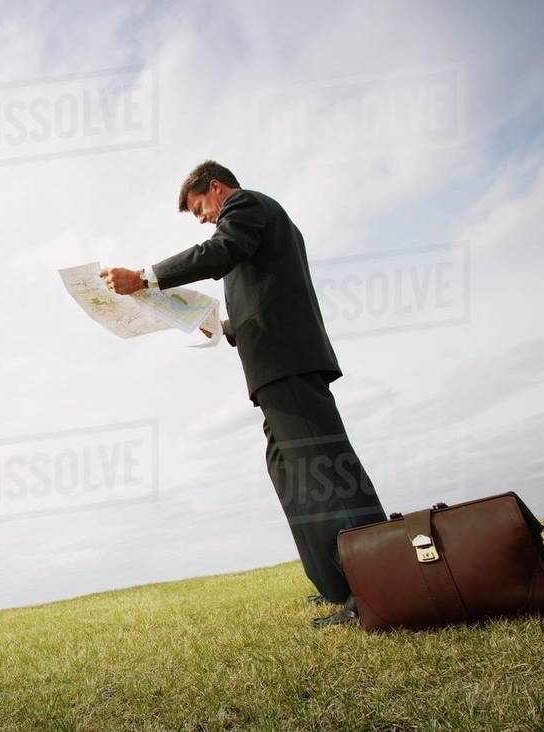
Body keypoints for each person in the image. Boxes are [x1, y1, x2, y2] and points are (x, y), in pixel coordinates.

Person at [100, 160, 388, 627]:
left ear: (216, 188)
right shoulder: (253, 228)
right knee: (291, 476)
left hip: (288, 363)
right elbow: (264, 292)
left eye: (199, 208)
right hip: (272, 369)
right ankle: (338, 585)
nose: (202, 219)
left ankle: (379, 589)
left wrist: (146, 277)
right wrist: (219, 324)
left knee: (328, 472)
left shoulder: (247, 206)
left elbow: (220, 250)